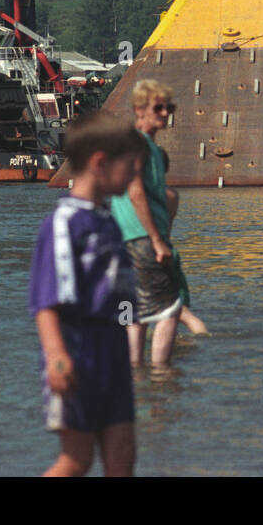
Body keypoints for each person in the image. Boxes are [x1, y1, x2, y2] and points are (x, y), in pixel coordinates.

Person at [28, 112, 146, 477]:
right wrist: (57, 356)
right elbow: (46, 300)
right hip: (78, 349)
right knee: (77, 460)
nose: (134, 175)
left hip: (113, 349)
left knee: (122, 456)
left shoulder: (107, 219)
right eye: (130, 166)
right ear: (100, 163)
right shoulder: (65, 223)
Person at [110, 79, 182, 366]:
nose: (165, 113)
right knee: (170, 309)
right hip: (141, 239)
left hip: (126, 240)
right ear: (139, 109)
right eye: (159, 108)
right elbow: (135, 190)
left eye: (169, 108)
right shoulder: (139, 144)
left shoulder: (139, 144)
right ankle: (161, 376)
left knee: (137, 314)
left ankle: (136, 377)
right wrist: (156, 239)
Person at [159, 147, 209, 336]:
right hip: (169, 252)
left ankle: (136, 357)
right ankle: (200, 340)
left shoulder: (144, 197)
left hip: (151, 255)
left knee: (133, 313)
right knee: (179, 312)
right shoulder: (172, 195)